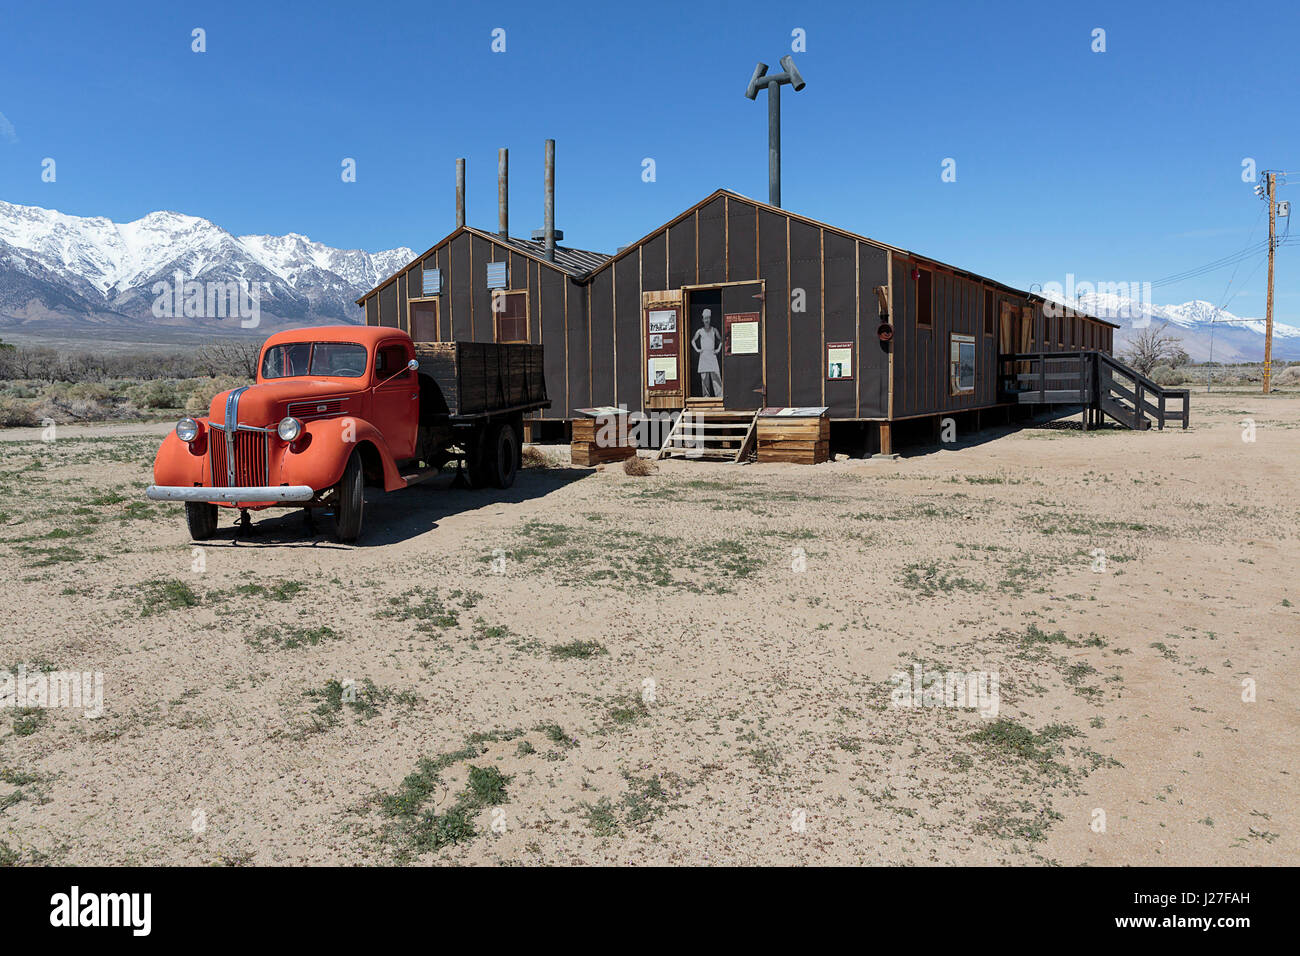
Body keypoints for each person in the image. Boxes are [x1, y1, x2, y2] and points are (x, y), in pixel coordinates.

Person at [692, 309, 723, 397]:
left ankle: (719, 396)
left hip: (712, 355)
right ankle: (706, 396)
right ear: (703, 319)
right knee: (704, 378)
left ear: (710, 319)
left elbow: (721, 340)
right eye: (705, 318)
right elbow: (693, 341)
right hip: (704, 356)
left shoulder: (714, 330)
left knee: (716, 377)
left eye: (708, 318)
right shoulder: (700, 331)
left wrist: (718, 349)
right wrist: (697, 350)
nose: (707, 320)